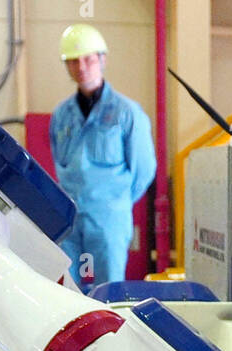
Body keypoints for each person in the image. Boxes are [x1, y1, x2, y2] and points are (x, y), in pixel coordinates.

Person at [49, 23, 156, 287]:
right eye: (73, 61)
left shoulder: (127, 113)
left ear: (102, 59)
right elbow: (59, 162)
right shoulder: (61, 116)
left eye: (88, 58)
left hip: (109, 218)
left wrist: (115, 203)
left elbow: (144, 169)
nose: (81, 66)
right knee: (69, 291)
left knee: (109, 290)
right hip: (70, 219)